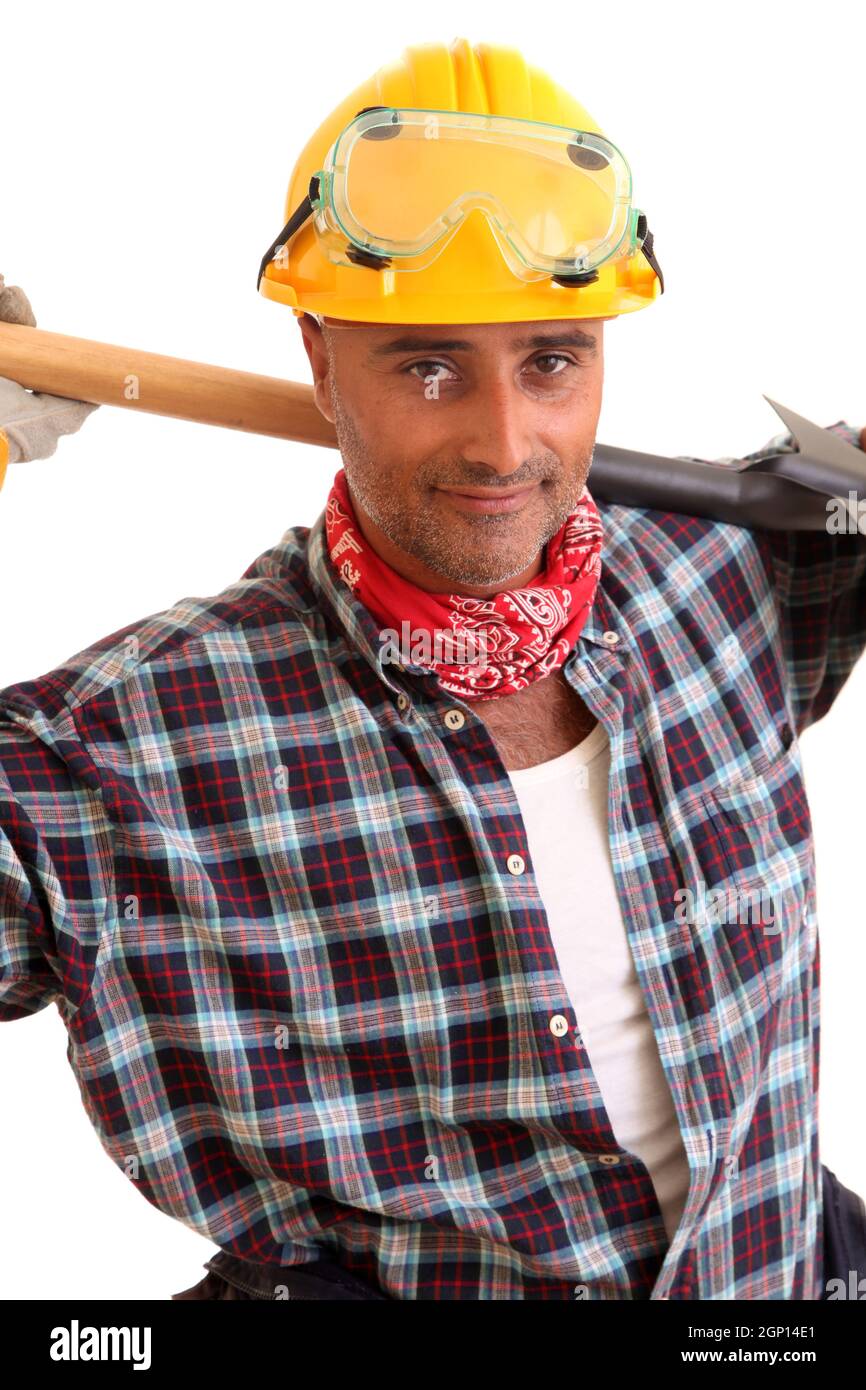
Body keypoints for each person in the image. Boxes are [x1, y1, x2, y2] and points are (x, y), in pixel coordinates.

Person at [1, 37, 865, 1302]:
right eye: (425, 364)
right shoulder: (123, 749)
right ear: (317, 356)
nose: (503, 442)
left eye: (550, 361)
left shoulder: (730, 577)